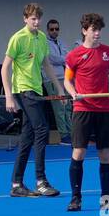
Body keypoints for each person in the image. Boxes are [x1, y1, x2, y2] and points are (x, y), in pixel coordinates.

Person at [1, 2, 66, 197]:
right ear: (25, 19)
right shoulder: (18, 38)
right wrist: (9, 96)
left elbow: (46, 64)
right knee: (42, 129)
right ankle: (41, 180)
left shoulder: (42, 38)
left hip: (37, 89)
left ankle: (16, 184)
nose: (36, 22)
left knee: (27, 137)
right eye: (33, 19)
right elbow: (5, 68)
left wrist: (59, 87)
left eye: (38, 19)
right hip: (24, 90)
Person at [62, 13, 109, 212]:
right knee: (78, 152)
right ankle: (75, 198)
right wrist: (73, 93)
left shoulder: (108, 52)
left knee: (104, 154)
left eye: (99, 30)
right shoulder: (74, 55)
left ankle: (106, 198)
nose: (97, 33)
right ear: (84, 31)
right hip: (83, 109)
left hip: (104, 109)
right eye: (93, 30)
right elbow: (67, 80)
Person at [45, 18, 73, 146]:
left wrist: (64, 59)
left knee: (67, 106)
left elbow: (70, 56)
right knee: (59, 108)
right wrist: (64, 59)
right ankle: (63, 135)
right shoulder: (45, 43)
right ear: (48, 30)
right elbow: (52, 59)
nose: (55, 31)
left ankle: (71, 132)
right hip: (52, 79)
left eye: (57, 29)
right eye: (52, 29)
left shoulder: (61, 43)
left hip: (64, 78)